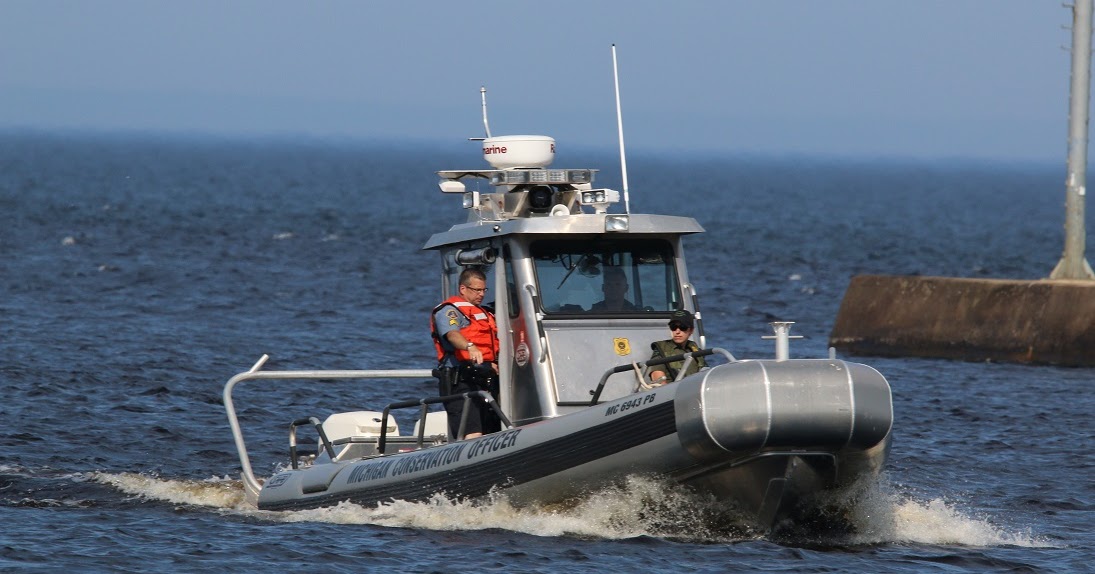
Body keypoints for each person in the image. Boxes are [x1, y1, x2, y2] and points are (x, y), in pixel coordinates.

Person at [431, 267, 501, 440]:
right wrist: (470, 346)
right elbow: (452, 335)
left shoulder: (486, 313)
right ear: (463, 289)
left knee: (492, 429)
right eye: (477, 290)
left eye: (484, 290)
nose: (481, 294)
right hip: (460, 380)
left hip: (484, 380)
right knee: (472, 432)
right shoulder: (450, 311)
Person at [648, 310, 706, 385]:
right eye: (673, 327)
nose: (677, 331)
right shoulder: (661, 349)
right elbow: (658, 379)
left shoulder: (694, 349)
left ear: (691, 330)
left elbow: (705, 372)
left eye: (683, 327)